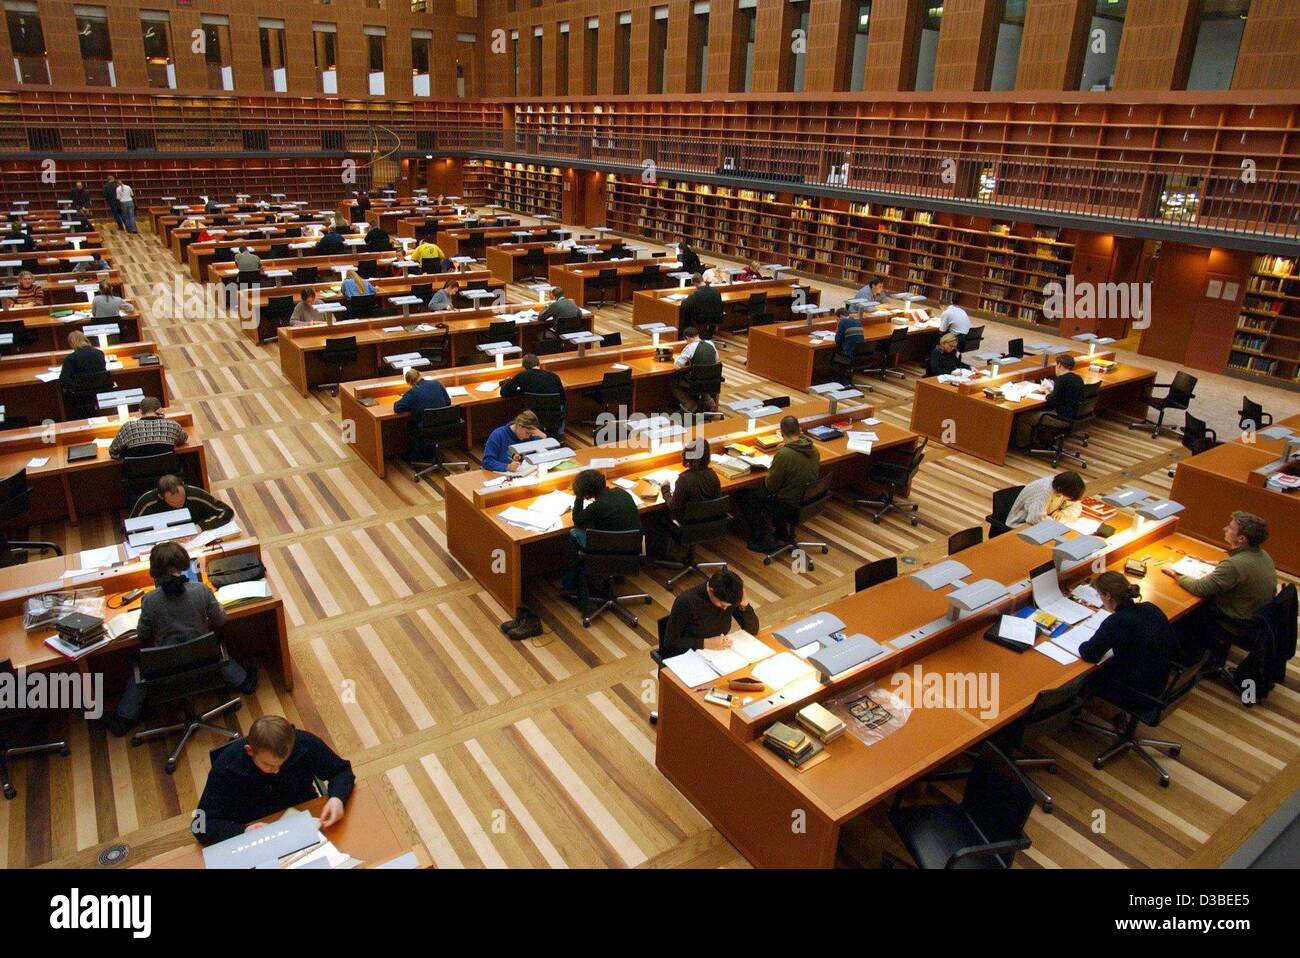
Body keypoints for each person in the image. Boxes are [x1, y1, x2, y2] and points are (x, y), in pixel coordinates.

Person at [105, 541, 256, 737]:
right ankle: (244, 682)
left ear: (155, 570)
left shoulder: (150, 600)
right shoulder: (201, 590)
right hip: (205, 663)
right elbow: (220, 620)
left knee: (141, 664)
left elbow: (142, 635)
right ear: (183, 564)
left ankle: (123, 718)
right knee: (213, 648)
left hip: (165, 670)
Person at [192, 715, 353, 846]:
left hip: (304, 818)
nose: (276, 770)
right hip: (254, 830)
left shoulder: (305, 744)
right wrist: (242, 831)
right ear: (250, 751)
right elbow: (200, 825)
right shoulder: (226, 766)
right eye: (268, 764)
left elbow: (341, 770)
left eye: (284, 762)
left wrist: (337, 798)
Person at [1164, 511, 1276, 643]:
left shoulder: (1234, 565)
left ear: (1242, 539)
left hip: (1234, 622)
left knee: (1183, 612)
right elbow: (1237, 567)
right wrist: (1207, 562)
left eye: (1230, 528)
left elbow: (1200, 588)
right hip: (1254, 615)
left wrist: (1175, 573)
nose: (1225, 529)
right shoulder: (1262, 554)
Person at [1078, 572, 1176, 709]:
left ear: (1107, 595)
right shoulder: (1150, 608)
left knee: (1085, 677)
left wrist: (1082, 642)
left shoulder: (1117, 621)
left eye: (1100, 595)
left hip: (1137, 690)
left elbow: (1089, 654)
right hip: (1159, 678)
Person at [735, 415, 820, 552]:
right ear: (799, 430)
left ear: (781, 433)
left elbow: (771, 486)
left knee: (744, 496)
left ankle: (765, 538)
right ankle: (781, 531)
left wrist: (779, 456)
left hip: (789, 504)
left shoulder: (784, 454)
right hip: (806, 500)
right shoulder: (813, 450)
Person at [559, 468, 642, 607]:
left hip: (607, 552)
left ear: (586, 492)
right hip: (631, 549)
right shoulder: (621, 493)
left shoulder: (596, 508)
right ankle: (616, 575)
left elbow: (577, 520)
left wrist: (578, 497)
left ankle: (570, 583)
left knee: (574, 534)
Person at [646, 438, 722, 560]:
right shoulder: (713, 475)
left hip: (688, 529)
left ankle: (659, 557)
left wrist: (665, 490)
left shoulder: (684, 480)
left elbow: (673, 508)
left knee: (655, 514)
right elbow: (717, 502)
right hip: (709, 526)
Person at [661, 570, 759, 657]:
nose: (725, 609)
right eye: (721, 604)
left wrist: (745, 606)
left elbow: (752, 630)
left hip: (717, 654)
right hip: (690, 656)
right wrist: (705, 643)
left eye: (729, 606)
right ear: (711, 591)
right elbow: (670, 642)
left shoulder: (729, 597)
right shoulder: (686, 601)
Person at [1013, 353, 1085, 447]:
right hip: (1073, 415)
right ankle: (1042, 440)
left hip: (1061, 418)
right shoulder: (1078, 379)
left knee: (1024, 418)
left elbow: (1051, 402)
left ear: (1059, 365)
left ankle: (1023, 445)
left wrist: (1046, 391)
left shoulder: (1062, 380)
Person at [129, 474, 234, 531]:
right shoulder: (147, 502)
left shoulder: (195, 494)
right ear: (161, 497)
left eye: (182, 499)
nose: (179, 505)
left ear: (183, 485)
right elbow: (130, 529)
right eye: (173, 503)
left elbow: (226, 511)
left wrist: (200, 527)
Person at [393, 366, 452, 451]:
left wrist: (411, 405)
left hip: (425, 429)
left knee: (409, 425)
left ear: (409, 382)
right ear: (420, 375)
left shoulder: (412, 393)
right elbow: (448, 402)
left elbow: (397, 408)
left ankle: (419, 453)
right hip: (445, 425)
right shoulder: (437, 384)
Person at [108, 396, 188, 458]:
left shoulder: (128, 427)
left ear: (140, 411)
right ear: (160, 410)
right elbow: (183, 438)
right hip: (166, 471)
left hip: (136, 474)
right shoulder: (172, 425)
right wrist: (164, 420)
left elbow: (113, 452)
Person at [1004, 471, 1085, 526]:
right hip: (1020, 524)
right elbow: (1035, 520)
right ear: (1061, 490)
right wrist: (1056, 524)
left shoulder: (1062, 486)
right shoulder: (1043, 492)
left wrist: (1063, 513)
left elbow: (1076, 506)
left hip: (1044, 520)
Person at [671, 325, 719, 414]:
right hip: (712, 380)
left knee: (674, 383)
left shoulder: (690, 347)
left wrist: (676, 359)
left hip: (696, 381)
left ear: (687, 338)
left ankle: (690, 405)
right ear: (697, 335)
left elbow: (677, 366)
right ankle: (710, 404)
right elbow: (716, 360)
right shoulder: (711, 343)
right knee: (703, 382)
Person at [481, 409, 547, 473]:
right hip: (500, 476)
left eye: (531, 434)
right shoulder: (498, 435)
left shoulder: (531, 436)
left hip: (526, 475)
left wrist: (544, 438)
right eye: (527, 433)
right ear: (519, 425)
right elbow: (487, 461)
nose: (528, 436)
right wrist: (507, 467)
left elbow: (547, 456)